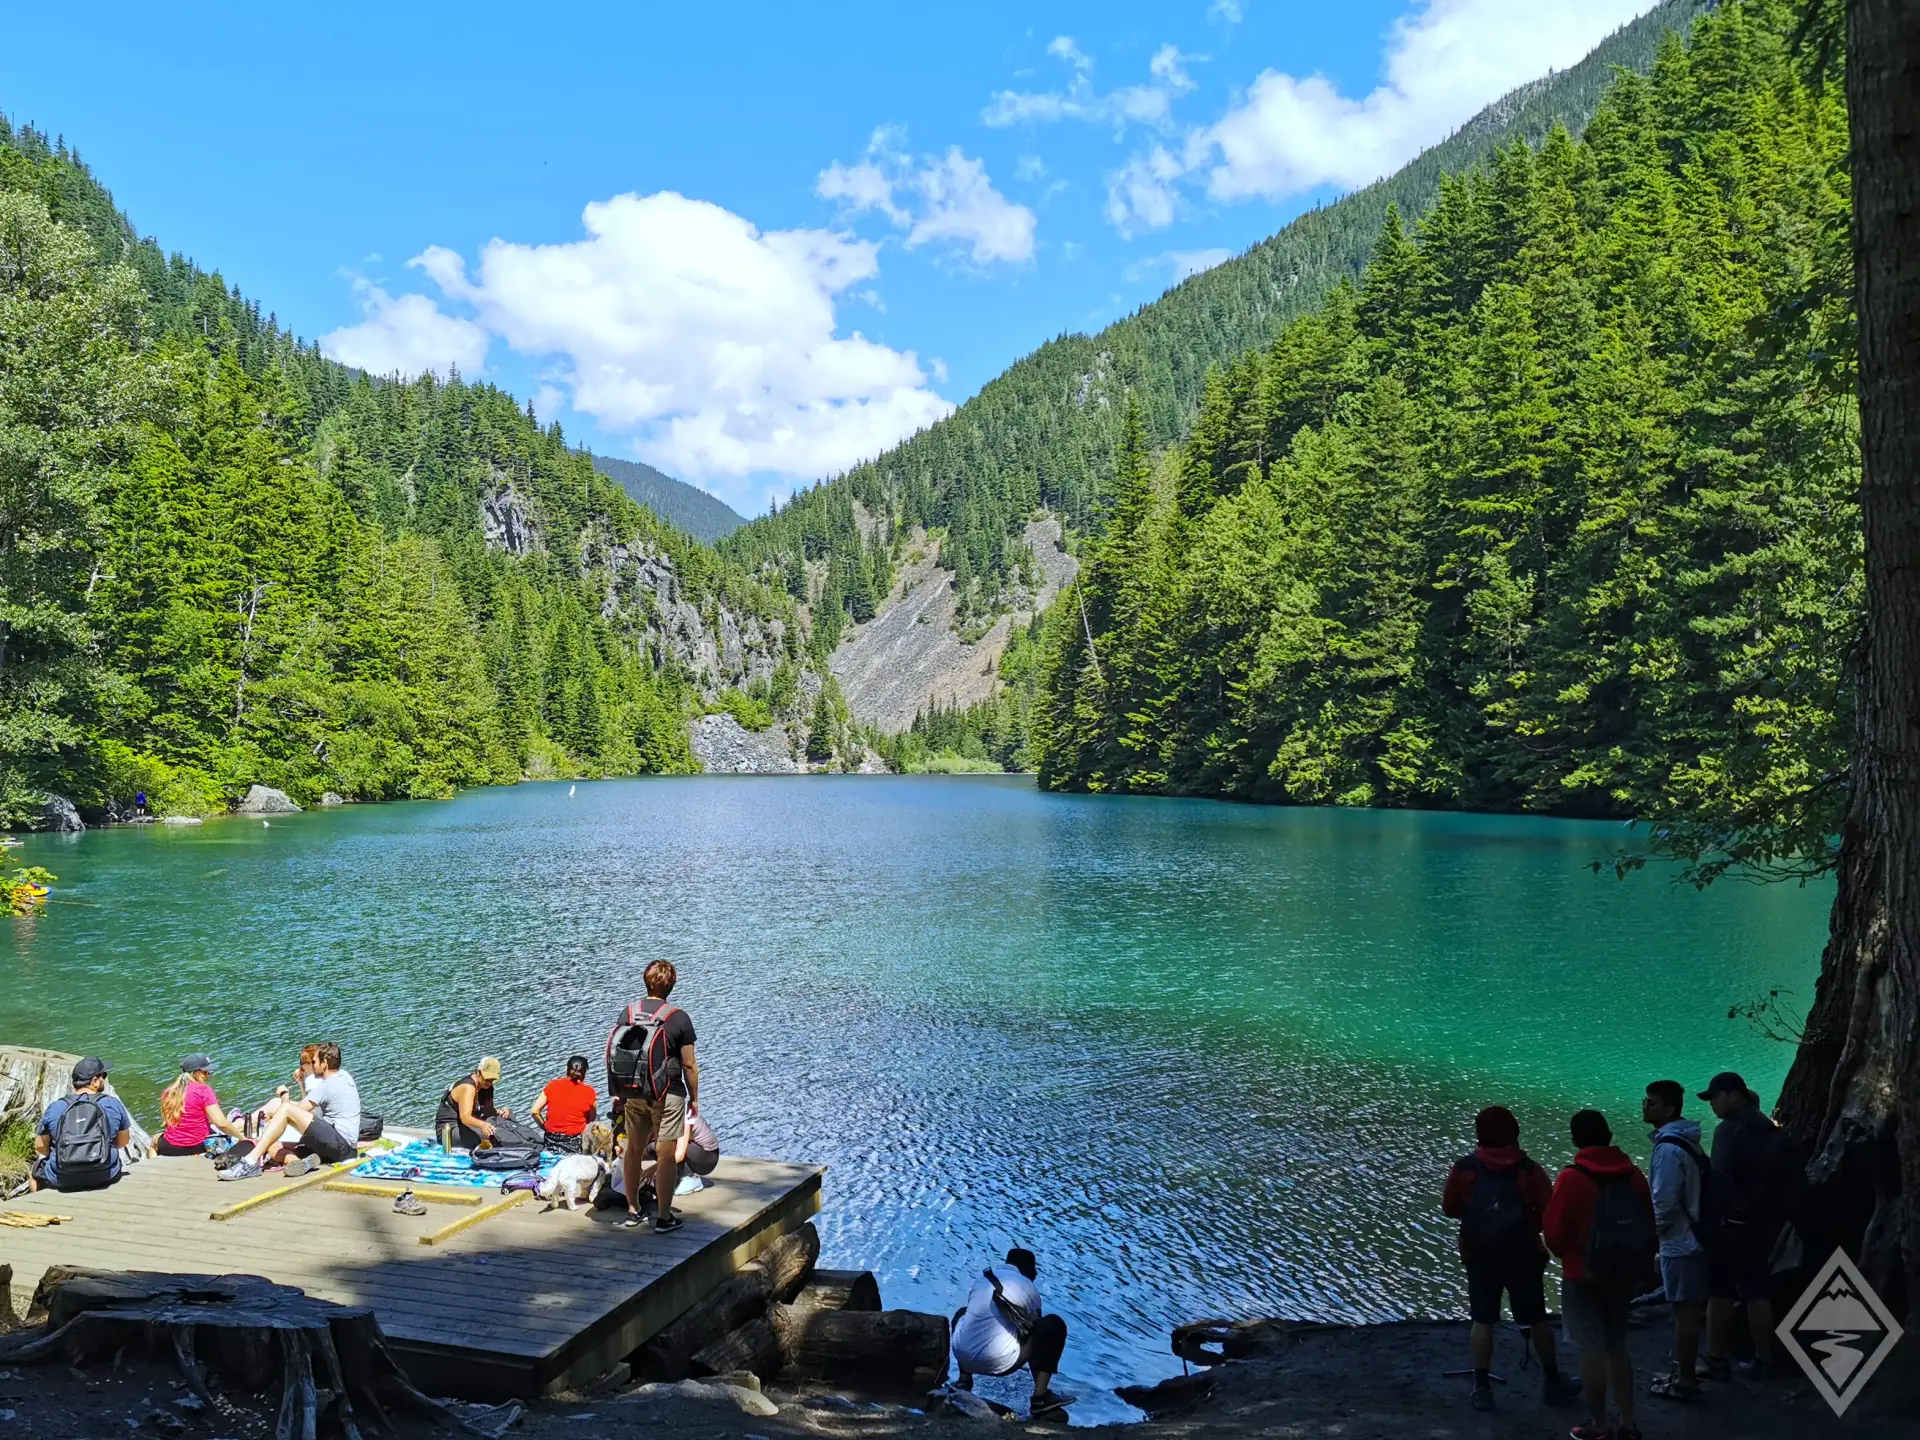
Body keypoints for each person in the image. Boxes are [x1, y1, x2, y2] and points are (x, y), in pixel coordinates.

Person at [1440, 1106, 1579, 1410]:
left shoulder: (1465, 1168)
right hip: (1523, 1255)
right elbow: (1549, 1211)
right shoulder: (1529, 1169)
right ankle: (1553, 1382)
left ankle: (1482, 1387)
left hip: (1479, 1255)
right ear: (1513, 1132)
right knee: (1536, 1318)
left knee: (1482, 1320)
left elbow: (1449, 1209)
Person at [1544, 1110, 1656, 1440]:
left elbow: (1553, 1231)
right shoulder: (1633, 1174)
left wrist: (1569, 1258)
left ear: (1575, 1138)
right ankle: (1627, 1422)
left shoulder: (1573, 1177)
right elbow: (1647, 1222)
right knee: (1617, 1345)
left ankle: (1599, 1424)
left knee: (1590, 1348)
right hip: (1623, 1274)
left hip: (1583, 1273)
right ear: (1608, 1135)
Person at [1699, 1072, 1788, 1380]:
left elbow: (1719, 1180)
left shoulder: (1729, 1132)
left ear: (1733, 1095)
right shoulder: (1769, 1128)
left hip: (1730, 1226)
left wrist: (1709, 1222)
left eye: (1715, 1097)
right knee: (1757, 1292)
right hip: (1763, 1224)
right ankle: (1764, 1360)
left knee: (1720, 1292)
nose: (1712, 1104)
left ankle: (1716, 1360)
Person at [611, 960, 699, 1234]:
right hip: (668, 1093)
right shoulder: (678, 1017)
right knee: (665, 1155)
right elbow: (688, 1065)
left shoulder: (629, 1011)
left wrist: (620, 1093)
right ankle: (663, 1217)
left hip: (634, 1092)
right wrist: (694, 1097)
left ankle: (633, 1210)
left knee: (634, 1150)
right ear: (671, 986)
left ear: (645, 981)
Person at [1644, 1080, 1708, 1401]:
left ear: (1668, 1109)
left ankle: (1686, 1380)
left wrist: (1650, 1236)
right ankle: (1685, 1370)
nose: (1645, 1106)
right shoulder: (1687, 1142)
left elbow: (1665, 1202)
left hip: (1682, 1241)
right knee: (1688, 1310)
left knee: (1684, 1312)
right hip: (1693, 1236)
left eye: (1652, 1103)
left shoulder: (1668, 1149)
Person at [951, 1248, 1072, 1415]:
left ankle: (963, 1380)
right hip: (998, 1362)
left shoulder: (982, 1280)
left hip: (962, 1356)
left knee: (962, 1313)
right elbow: (1037, 1331)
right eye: (1034, 1270)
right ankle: (1040, 1397)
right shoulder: (1026, 1284)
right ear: (1028, 1269)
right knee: (1053, 1325)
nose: (1035, 1275)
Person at [219, 1042, 361, 1181]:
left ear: (324, 1063)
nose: (312, 1065)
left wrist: (284, 1096)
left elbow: (291, 1111)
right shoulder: (344, 1075)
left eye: (314, 1062)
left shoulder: (328, 1084)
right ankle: (298, 1162)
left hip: (340, 1144)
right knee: (273, 1146)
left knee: (285, 1108)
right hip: (338, 1147)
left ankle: (249, 1163)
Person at [30, 1057, 132, 1193]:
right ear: (94, 1081)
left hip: (63, 1177)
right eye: (104, 1076)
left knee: (34, 1173)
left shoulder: (56, 1107)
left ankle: (40, 1208)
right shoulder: (112, 1104)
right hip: (105, 1174)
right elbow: (123, 1142)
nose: (105, 1080)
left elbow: (40, 1147)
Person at [156, 1055, 246, 1156]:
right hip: (197, 1147)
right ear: (196, 1073)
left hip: (170, 1146)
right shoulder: (203, 1090)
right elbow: (222, 1124)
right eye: (206, 1072)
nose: (208, 1075)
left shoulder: (169, 1092)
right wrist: (243, 1139)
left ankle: (153, 1164)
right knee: (233, 1136)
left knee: (154, 1141)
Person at [436, 1057, 510, 1150]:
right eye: (487, 1078)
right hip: (449, 1130)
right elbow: (465, 1118)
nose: (489, 1082)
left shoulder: (487, 1087)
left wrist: (502, 1112)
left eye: (492, 1079)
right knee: (491, 1135)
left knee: (507, 1119)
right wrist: (483, 1125)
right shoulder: (468, 1088)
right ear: (478, 1072)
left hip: (466, 1126)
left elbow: (489, 1112)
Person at [532, 1055, 598, 1153]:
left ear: (566, 1069)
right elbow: (591, 1120)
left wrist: (545, 1127)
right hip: (575, 1142)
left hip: (551, 1140)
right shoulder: (589, 1092)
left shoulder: (552, 1085)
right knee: (597, 1118)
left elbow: (534, 1112)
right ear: (584, 1073)